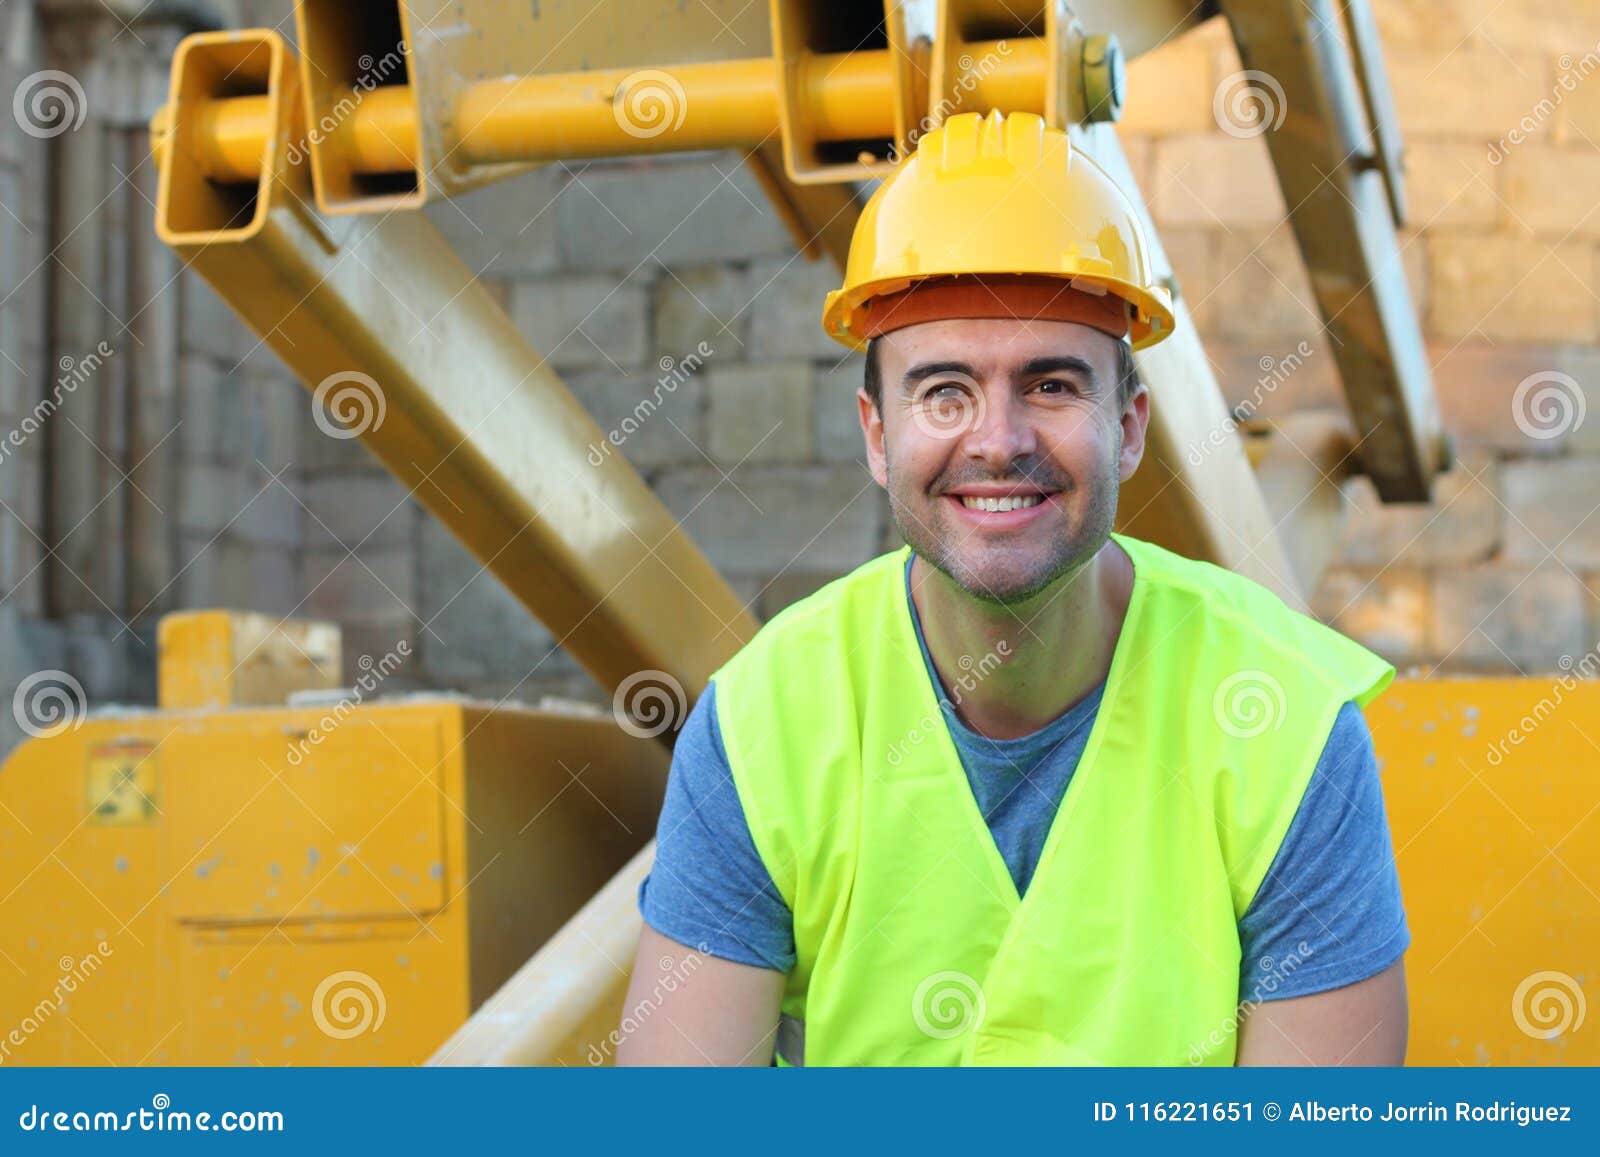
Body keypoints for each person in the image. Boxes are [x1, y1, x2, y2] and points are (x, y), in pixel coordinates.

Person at [617, 110, 1408, 1066]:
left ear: (1128, 427)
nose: (998, 440)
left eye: (1051, 386)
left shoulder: (1285, 725)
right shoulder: (764, 724)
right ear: (877, 433)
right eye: (944, 390)